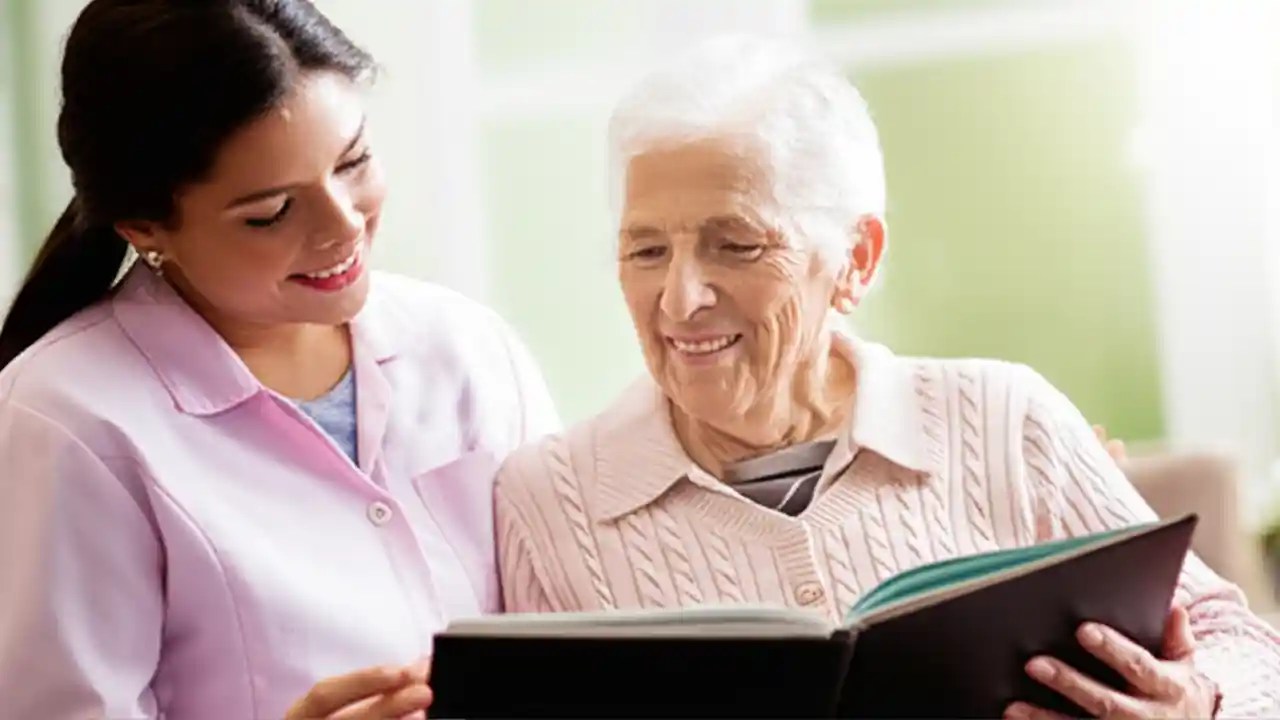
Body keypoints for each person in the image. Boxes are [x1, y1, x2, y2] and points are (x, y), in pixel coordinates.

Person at [493, 35, 1280, 717]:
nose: (681, 298)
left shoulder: (1003, 418)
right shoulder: (551, 502)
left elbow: (1244, 646)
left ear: (855, 260)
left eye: (735, 245)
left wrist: (1195, 700)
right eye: (646, 251)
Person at [0, 1, 557, 718]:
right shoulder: (67, 423)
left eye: (352, 161)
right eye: (270, 213)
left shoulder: (467, 350)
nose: (343, 224)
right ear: (144, 225)